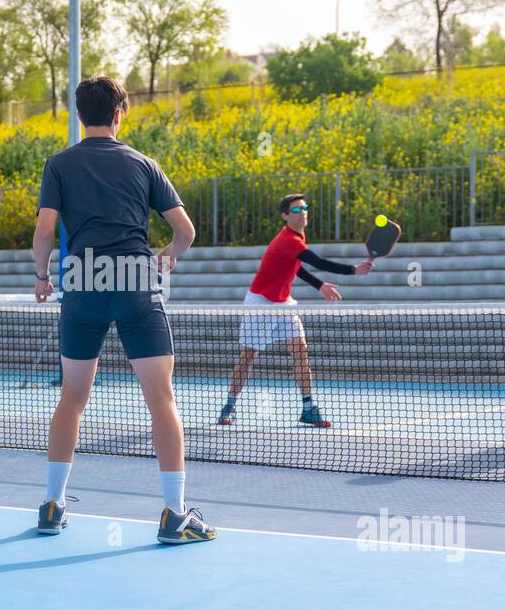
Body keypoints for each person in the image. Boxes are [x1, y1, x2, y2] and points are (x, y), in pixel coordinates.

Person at [31, 76, 214, 545]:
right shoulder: (145, 164)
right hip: (135, 281)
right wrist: (167, 256)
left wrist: (41, 276)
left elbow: (45, 232)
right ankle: (174, 514)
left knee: (72, 397)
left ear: (79, 115)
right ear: (119, 115)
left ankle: (52, 506)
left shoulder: (59, 165)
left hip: (83, 281)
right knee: (161, 400)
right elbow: (186, 231)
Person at [217, 193, 373, 428]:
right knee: (250, 355)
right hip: (260, 302)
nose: (303, 213)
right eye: (297, 210)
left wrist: (319, 286)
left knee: (300, 349)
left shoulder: (298, 236)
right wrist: (354, 270)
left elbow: (296, 267)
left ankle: (308, 408)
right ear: (285, 216)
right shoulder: (287, 240)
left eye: (305, 208)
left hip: (284, 302)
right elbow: (318, 262)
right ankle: (228, 405)